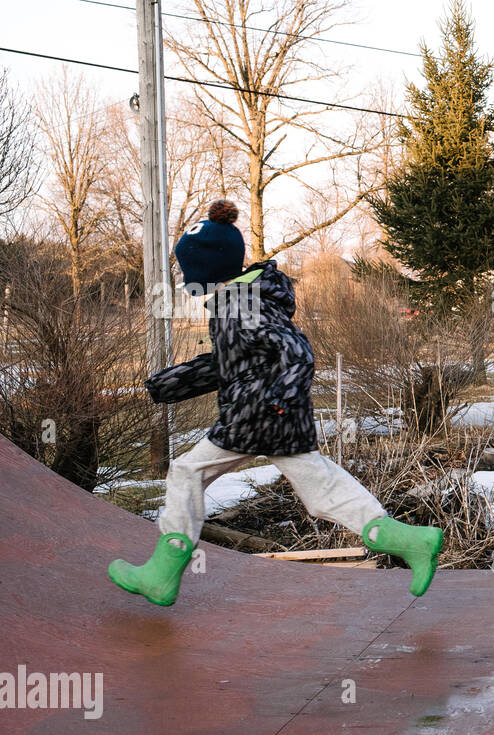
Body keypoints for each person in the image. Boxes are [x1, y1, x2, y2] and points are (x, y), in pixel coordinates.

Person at [108, 200, 444, 606]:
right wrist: (166, 385)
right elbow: (229, 363)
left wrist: (277, 400)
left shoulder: (239, 304)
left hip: (256, 414)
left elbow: (297, 352)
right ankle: (409, 541)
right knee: (321, 492)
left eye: (187, 270)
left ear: (205, 269)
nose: (184, 279)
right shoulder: (243, 298)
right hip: (278, 416)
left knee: (186, 472)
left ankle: (163, 574)